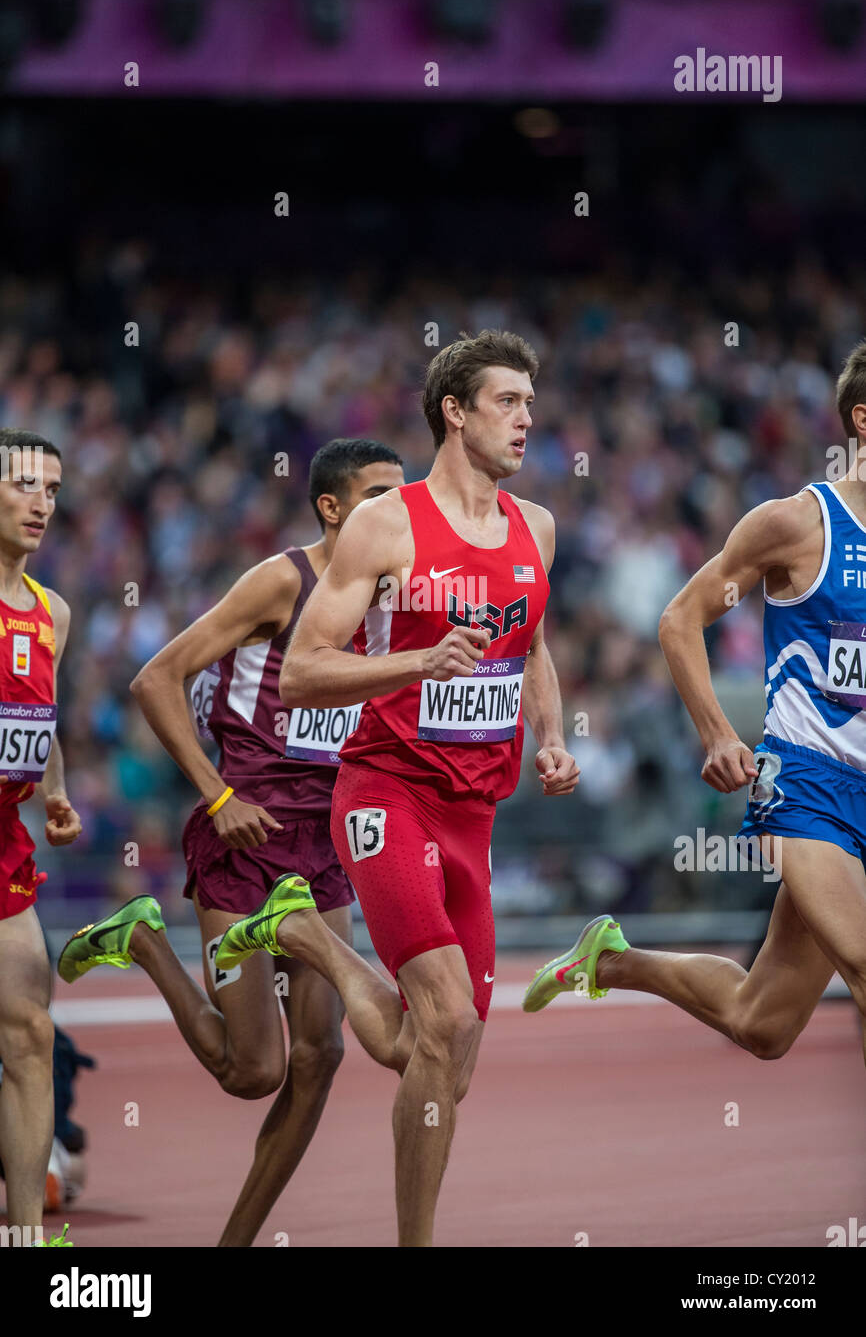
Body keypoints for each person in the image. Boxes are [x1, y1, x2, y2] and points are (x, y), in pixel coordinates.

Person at [215, 329, 580, 1247]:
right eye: (509, 401)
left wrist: (552, 735)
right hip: (386, 792)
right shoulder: (390, 524)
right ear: (453, 412)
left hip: (474, 813)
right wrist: (421, 656)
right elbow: (301, 669)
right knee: (445, 1016)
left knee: (442, 1058)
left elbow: (531, 645)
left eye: (533, 403)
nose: (528, 419)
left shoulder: (536, 526)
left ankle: (307, 934)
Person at [57, 439, 404, 1246]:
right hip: (245, 840)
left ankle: (235, 1244)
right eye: (381, 496)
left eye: (404, 494)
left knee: (321, 1057)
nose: (398, 510)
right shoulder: (283, 581)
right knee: (255, 1071)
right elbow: (154, 678)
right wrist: (218, 795)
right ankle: (141, 938)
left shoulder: (390, 596)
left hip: (327, 847)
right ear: (332, 507)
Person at [523, 340, 866, 1084]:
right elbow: (680, 619)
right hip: (808, 784)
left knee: (762, 1021)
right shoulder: (798, 524)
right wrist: (717, 732)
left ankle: (610, 961)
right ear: (862, 420)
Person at [0, 428, 82, 1246]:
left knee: (29, 1034)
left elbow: (38, 716)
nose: (42, 503)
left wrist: (52, 791)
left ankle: (23, 1238)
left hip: (5, 845)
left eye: (54, 491)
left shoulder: (52, 610)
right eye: (26, 485)